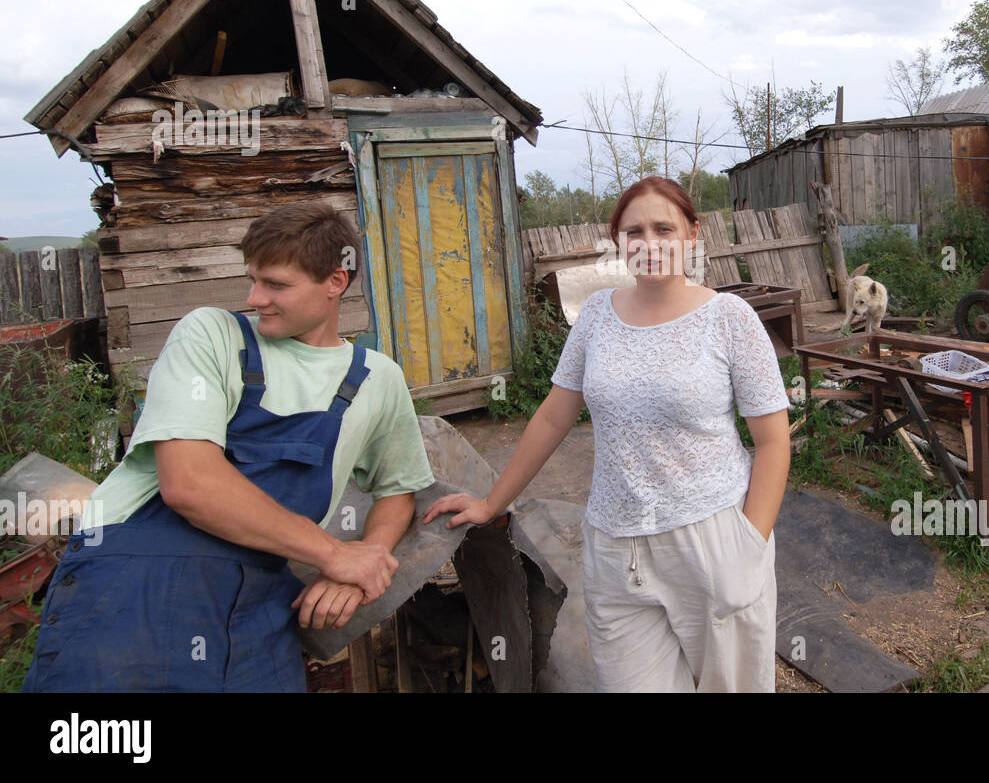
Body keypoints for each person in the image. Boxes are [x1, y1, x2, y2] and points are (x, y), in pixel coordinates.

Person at [23, 201, 433, 692]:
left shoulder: (376, 379)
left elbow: (398, 489)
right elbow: (191, 485)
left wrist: (366, 556)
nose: (255, 298)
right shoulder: (213, 335)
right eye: (252, 279)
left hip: (256, 605)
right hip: (136, 588)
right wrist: (332, 553)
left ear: (335, 282)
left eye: (275, 284)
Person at [425, 176, 790, 692]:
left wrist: (749, 546)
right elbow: (554, 416)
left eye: (664, 227)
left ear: (692, 232)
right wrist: (491, 504)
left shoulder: (730, 320)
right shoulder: (597, 315)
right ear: (617, 239)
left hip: (710, 540)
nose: (649, 243)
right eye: (634, 231)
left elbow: (773, 442)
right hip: (615, 549)